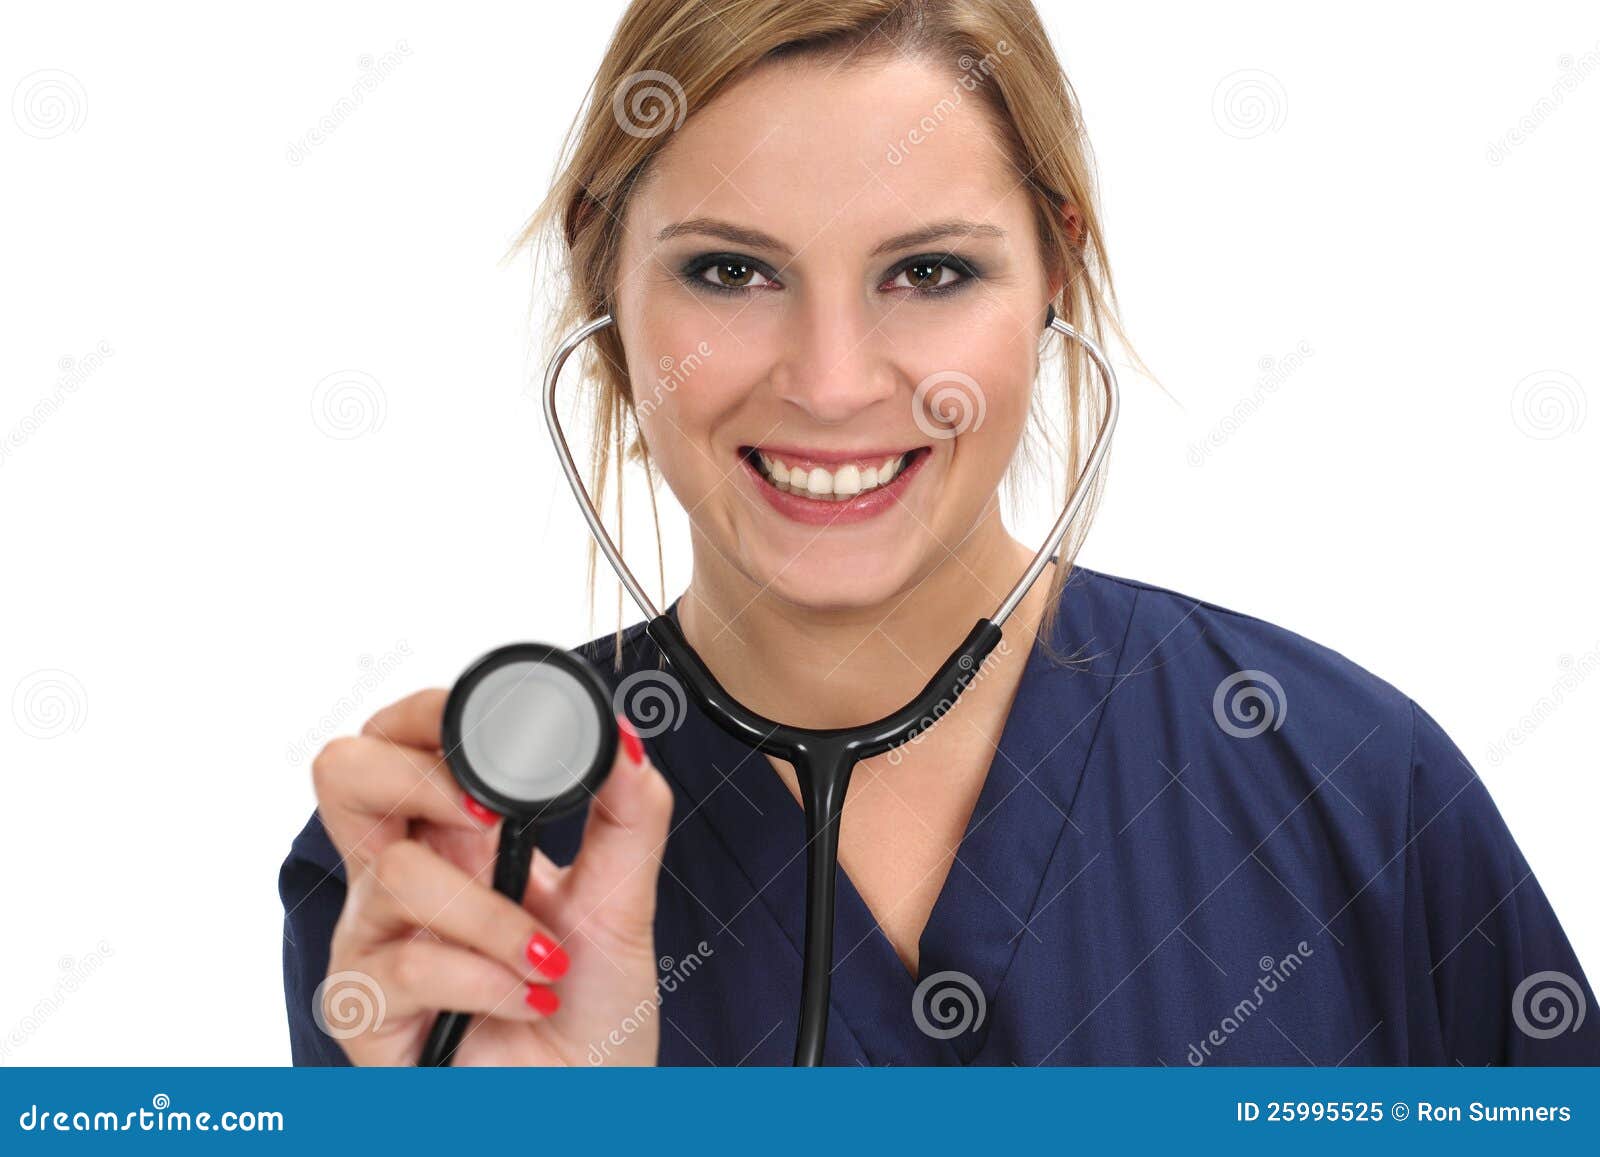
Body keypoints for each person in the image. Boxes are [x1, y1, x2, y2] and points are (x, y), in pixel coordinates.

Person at [279, 0, 1598, 1066]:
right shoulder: (453, 876)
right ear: (604, 287)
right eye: (731, 271)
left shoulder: (1350, 783)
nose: (832, 381)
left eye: (929, 272)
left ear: (1054, 275)